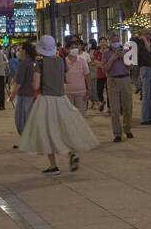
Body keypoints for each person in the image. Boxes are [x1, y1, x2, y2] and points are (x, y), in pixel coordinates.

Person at [19, 35, 99, 175]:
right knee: (63, 129)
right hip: (61, 99)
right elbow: (65, 79)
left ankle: (53, 166)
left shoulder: (40, 64)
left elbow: (36, 85)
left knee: (47, 132)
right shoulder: (61, 61)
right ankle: (71, 153)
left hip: (46, 100)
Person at [102, 33, 134, 142]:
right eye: (113, 40)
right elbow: (104, 69)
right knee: (115, 109)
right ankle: (117, 133)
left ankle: (127, 128)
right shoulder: (106, 53)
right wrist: (112, 59)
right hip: (113, 80)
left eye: (117, 40)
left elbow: (130, 67)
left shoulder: (126, 51)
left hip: (125, 79)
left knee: (128, 107)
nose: (116, 42)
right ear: (110, 41)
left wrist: (123, 57)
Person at [10, 41, 38, 148]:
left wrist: (12, 94)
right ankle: (27, 140)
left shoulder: (24, 63)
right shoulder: (32, 62)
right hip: (30, 93)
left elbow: (19, 81)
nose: (18, 51)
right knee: (27, 117)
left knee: (21, 119)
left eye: (20, 49)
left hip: (23, 94)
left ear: (24, 51)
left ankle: (26, 140)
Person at [65, 41, 91, 115]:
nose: (75, 49)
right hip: (67, 93)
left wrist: (89, 90)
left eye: (76, 47)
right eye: (72, 47)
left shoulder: (82, 61)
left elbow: (87, 75)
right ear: (67, 50)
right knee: (69, 116)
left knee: (81, 115)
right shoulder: (64, 61)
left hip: (81, 92)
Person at [138, 31, 151, 125]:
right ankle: (145, 118)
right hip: (145, 68)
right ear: (145, 35)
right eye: (149, 35)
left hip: (150, 68)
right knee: (146, 94)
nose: (150, 37)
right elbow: (147, 54)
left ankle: (149, 116)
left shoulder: (148, 43)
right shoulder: (140, 42)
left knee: (149, 94)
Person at [92, 41, 107, 112]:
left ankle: (110, 107)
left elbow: (98, 64)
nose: (103, 44)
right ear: (99, 44)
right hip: (100, 75)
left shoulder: (108, 52)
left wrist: (100, 64)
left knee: (109, 91)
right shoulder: (96, 53)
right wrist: (105, 65)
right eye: (101, 42)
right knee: (99, 91)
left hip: (108, 75)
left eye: (104, 42)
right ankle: (101, 102)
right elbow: (95, 63)